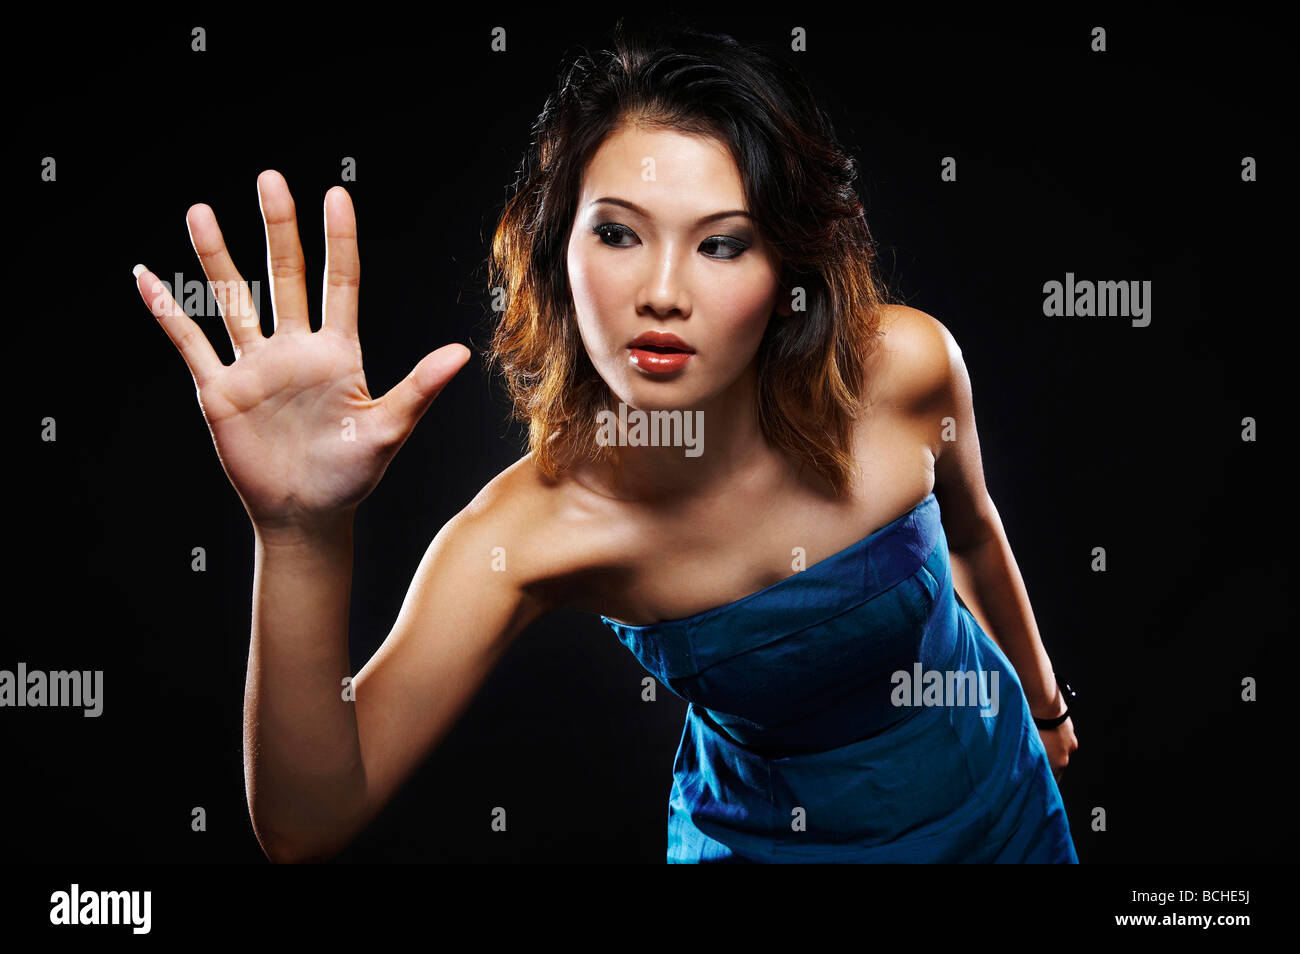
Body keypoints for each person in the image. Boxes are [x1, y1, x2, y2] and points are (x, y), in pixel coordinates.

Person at [132, 19, 1079, 863]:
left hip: (999, 804)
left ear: (788, 265)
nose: (663, 290)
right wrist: (298, 535)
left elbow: (970, 532)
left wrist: (1044, 706)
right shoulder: (526, 534)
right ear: (556, 249)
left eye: (721, 243)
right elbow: (307, 822)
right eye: (620, 233)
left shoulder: (905, 368)